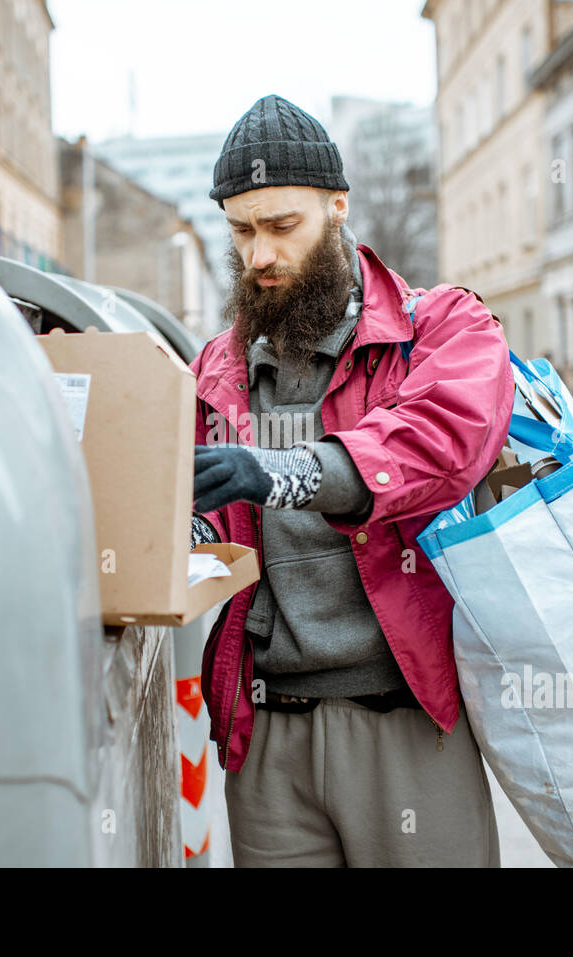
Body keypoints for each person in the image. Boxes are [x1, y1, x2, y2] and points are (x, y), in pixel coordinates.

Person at [187, 94, 515, 867]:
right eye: (240, 230)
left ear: (338, 207)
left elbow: (444, 440)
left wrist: (289, 471)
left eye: (281, 226)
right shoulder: (216, 368)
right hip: (266, 738)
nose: (259, 254)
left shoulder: (441, 326)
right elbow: (197, 515)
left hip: (404, 726)